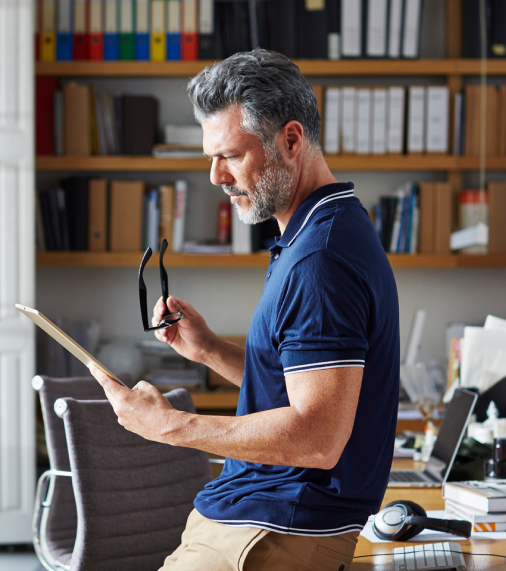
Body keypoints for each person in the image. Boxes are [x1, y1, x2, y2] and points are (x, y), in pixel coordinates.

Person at [90, 49, 400, 571]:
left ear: (292, 140)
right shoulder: (317, 232)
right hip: (259, 520)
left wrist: (172, 426)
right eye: (211, 157)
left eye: (231, 155)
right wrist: (209, 350)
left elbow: (318, 437)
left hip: (275, 530)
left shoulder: (319, 261)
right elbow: (297, 386)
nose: (215, 176)